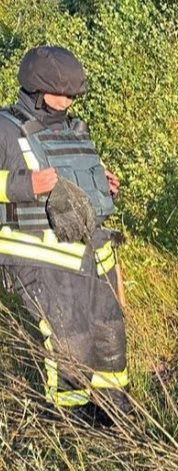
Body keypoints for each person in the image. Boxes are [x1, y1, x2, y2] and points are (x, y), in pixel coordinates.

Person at [0, 46, 132, 424]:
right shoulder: (5, 127)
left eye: (74, 95)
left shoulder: (75, 128)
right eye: (63, 93)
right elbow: (29, 184)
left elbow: (72, 178)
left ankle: (111, 411)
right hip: (38, 252)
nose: (70, 101)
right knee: (68, 332)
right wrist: (25, 185)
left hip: (90, 249)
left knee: (109, 329)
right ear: (37, 88)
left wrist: (101, 187)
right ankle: (69, 419)